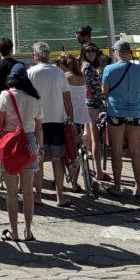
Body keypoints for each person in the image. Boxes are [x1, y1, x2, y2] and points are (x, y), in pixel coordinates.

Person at [0, 64, 44, 243]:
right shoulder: (34, 98)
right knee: (28, 190)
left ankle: (14, 231)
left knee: (12, 192)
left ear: (11, 78)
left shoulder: (5, 95)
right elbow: (39, 127)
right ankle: (28, 231)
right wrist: (41, 147)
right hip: (29, 143)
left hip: (10, 144)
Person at [27, 41, 74, 207]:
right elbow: (67, 99)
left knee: (38, 159)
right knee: (57, 159)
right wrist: (71, 118)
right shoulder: (59, 73)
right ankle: (60, 196)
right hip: (56, 120)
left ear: (36, 56)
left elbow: (26, 99)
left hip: (36, 121)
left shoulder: (31, 73)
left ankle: (38, 195)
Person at [102, 41, 140, 198]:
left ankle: (117, 186)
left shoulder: (109, 69)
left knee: (117, 151)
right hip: (135, 112)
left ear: (118, 52)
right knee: (135, 150)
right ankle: (139, 187)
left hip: (116, 112)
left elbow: (105, 92)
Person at [58, 53, 89, 190]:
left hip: (67, 118)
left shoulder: (65, 77)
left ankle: (62, 178)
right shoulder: (83, 77)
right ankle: (75, 182)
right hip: (81, 118)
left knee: (62, 151)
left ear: (64, 65)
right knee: (75, 150)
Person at [80, 43, 106, 181]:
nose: (91, 53)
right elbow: (95, 88)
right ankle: (99, 172)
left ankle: (89, 168)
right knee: (96, 139)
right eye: (88, 51)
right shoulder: (89, 67)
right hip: (94, 105)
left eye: (94, 51)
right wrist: (104, 97)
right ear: (84, 53)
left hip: (87, 103)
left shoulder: (83, 65)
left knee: (88, 136)